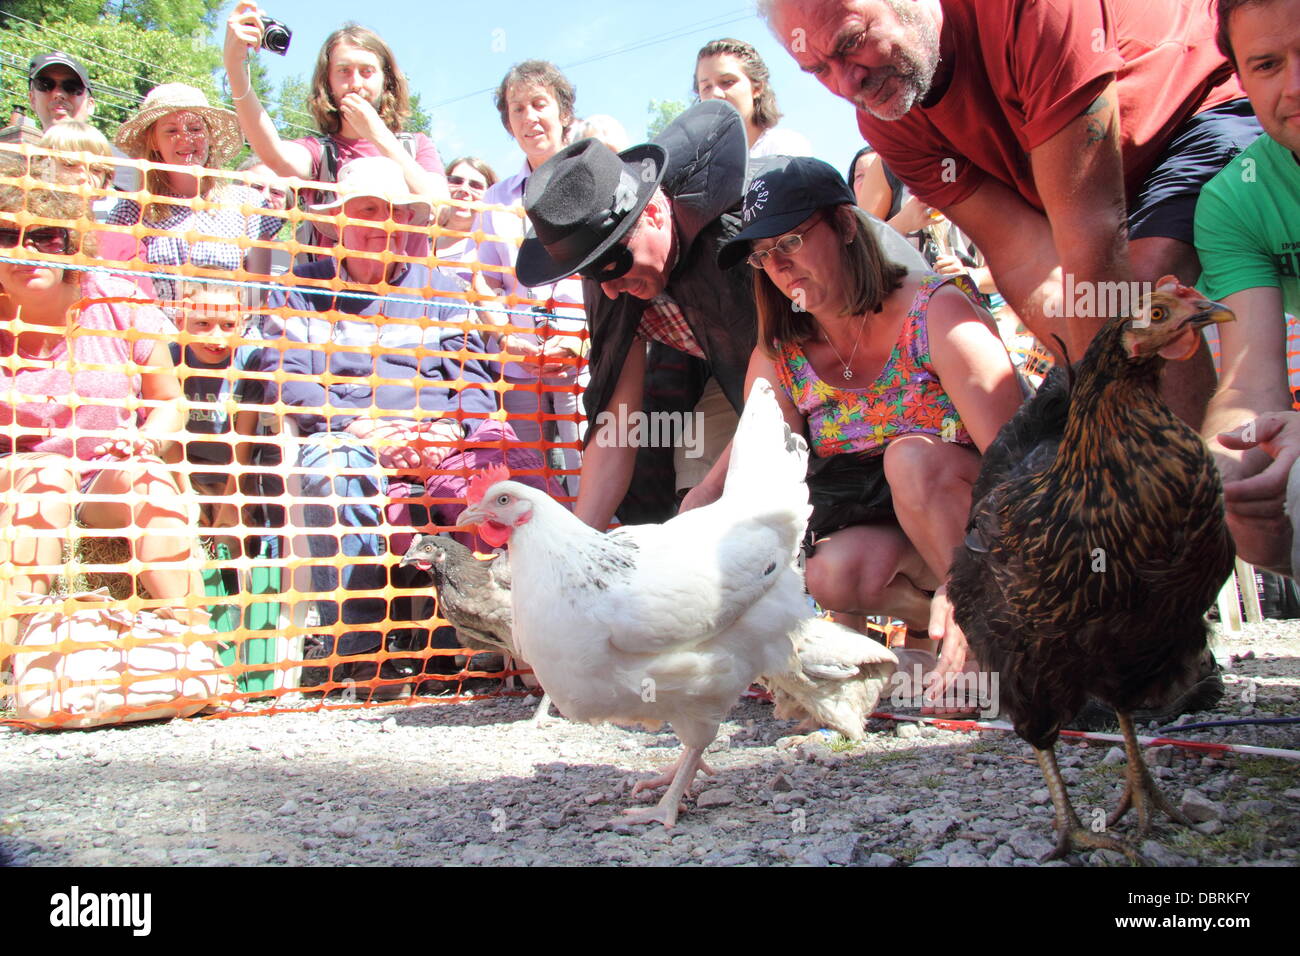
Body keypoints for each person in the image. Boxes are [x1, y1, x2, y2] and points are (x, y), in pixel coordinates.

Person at [762, 0, 1260, 427]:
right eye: (818, 70)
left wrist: (1111, 407)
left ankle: (1200, 503)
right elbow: (1023, 257)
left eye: (852, 42)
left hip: (1195, 118)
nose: (848, 83)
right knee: (1109, 335)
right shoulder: (889, 124)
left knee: (1140, 295)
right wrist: (1095, 374)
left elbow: (1093, 236)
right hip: (1086, 207)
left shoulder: (1022, 11)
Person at [695, 156, 1025, 707]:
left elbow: (1021, 468)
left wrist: (967, 573)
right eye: (762, 255)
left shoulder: (936, 311)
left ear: (847, 225)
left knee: (911, 462)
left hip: (996, 536)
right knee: (831, 573)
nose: (779, 266)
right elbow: (755, 452)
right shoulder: (782, 355)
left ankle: (997, 634)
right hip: (913, 542)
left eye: (792, 241)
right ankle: (968, 638)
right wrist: (704, 497)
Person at [518, 100, 926, 530]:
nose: (608, 287)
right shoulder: (610, 273)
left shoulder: (751, 223)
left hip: (861, 348)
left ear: (654, 212)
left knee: (862, 512)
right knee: (701, 504)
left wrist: (715, 487)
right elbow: (618, 421)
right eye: (589, 271)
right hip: (736, 372)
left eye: (613, 264)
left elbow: (795, 367)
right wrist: (580, 545)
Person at [263, 157, 554, 689]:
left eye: (395, 212)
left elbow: (473, 376)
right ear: (336, 222)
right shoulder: (295, 290)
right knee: (334, 465)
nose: (381, 223)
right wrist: (361, 429)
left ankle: (523, 641)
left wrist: (447, 429)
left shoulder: (443, 288)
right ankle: (359, 649)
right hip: (351, 436)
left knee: (506, 468)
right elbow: (288, 378)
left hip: (443, 435)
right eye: (367, 210)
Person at [0, 156, 204, 629]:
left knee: (148, 479)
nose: (23, 250)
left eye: (44, 236)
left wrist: (147, 441)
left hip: (101, 470)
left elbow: (169, 402)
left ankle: (200, 648)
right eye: (6, 236)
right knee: (48, 476)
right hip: (16, 472)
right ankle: (11, 654)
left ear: (72, 243)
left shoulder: (120, 301)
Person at [1196, 0, 1300, 575]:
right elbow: (1249, 382)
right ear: (1240, 79)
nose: (1295, 86)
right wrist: (1211, 477)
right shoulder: (1236, 200)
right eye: (1267, 64)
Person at [223, 2, 447, 256]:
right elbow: (273, 153)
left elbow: (441, 208)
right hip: (329, 293)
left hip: (403, 292)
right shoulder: (318, 153)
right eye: (344, 71)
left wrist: (377, 134)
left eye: (367, 71)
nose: (355, 83)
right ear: (327, 82)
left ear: (386, 81)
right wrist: (235, 66)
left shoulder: (416, 146)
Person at [477, 60, 589, 494]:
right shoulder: (496, 197)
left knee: (588, 478)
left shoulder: (594, 179)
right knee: (529, 485)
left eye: (539, 103)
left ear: (564, 113)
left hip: (580, 362)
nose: (529, 117)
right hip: (518, 366)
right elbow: (484, 280)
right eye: (516, 108)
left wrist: (584, 337)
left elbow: (612, 273)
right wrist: (504, 335)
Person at [106, 83, 281, 307]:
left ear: (209, 135)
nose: (186, 138)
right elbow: (124, 292)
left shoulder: (250, 204)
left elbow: (256, 300)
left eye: (195, 128)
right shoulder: (131, 212)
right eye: (171, 131)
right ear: (154, 141)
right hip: (157, 336)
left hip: (231, 335)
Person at [693, 38, 812, 157]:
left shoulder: (785, 146)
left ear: (757, 88)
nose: (715, 94)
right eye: (706, 87)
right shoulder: (699, 164)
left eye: (728, 81)